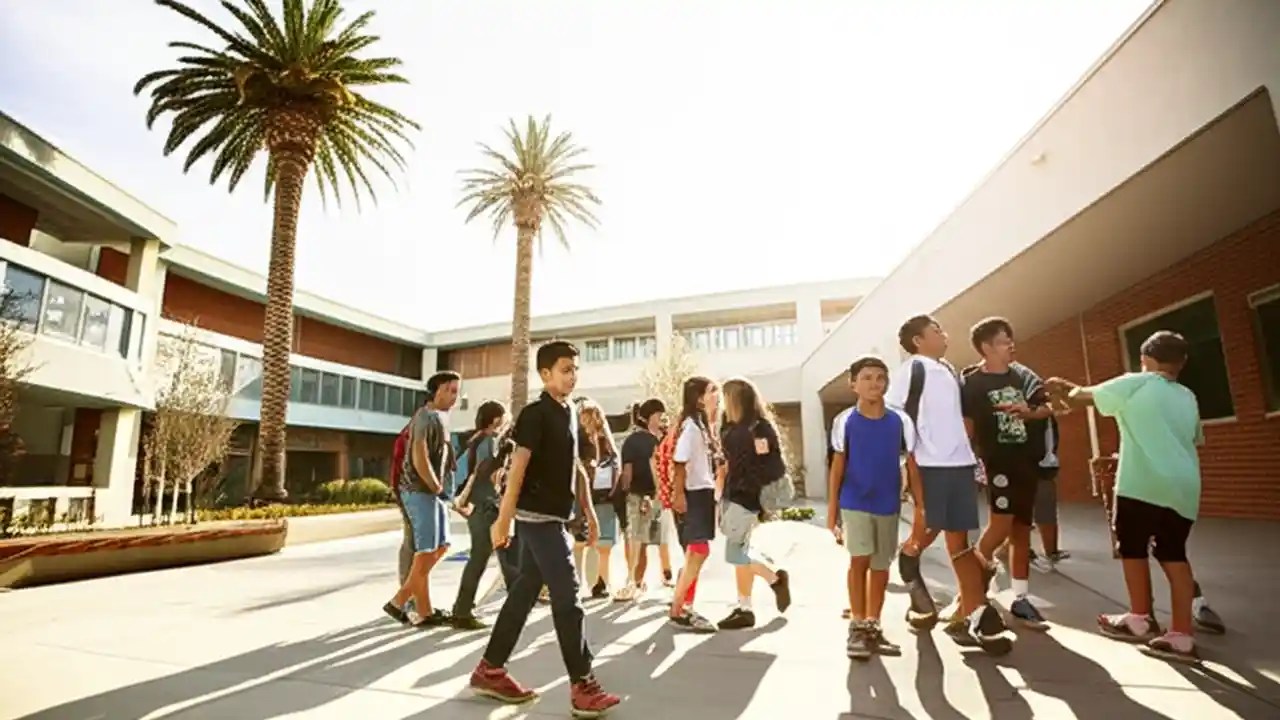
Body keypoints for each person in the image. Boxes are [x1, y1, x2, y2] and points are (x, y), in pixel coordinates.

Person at [469, 341, 621, 716]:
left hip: (555, 517)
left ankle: (490, 668)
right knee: (568, 596)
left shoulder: (568, 411)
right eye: (565, 369)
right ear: (545, 374)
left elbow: (572, 467)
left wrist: (584, 511)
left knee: (522, 593)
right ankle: (583, 684)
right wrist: (503, 521)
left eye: (575, 369)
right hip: (536, 519)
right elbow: (519, 468)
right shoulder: (535, 414)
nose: (572, 375)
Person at [1046, 330, 1204, 663]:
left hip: (1141, 483)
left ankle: (1140, 618)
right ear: (1182, 363)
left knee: (1132, 547)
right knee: (1174, 554)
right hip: (1185, 485)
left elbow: (1080, 397)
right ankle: (1182, 636)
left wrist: (1062, 387)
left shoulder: (1136, 382)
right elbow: (1192, 438)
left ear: (1145, 360)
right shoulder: (1188, 396)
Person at [888, 315, 1010, 655]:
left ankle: (976, 615)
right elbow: (896, 418)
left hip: (959, 465)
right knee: (927, 532)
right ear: (917, 340)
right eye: (936, 330)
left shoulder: (951, 371)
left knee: (961, 543)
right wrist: (906, 467)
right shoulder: (913, 370)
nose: (944, 334)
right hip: (928, 464)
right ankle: (909, 558)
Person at [961, 317, 1052, 630]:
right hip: (996, 462)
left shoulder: (1022, 376)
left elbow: (1048, 406)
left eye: (1011, 339)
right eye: (1002, 341)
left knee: (1021, 530)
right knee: (999, 526)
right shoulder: (972, 383)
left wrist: (1029, 412)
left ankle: (1021, 598)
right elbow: (968, 426)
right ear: (986, 347)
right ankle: (970, 593)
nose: (1010, 345)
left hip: (1026, 461)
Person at [827, 356, 912, 658]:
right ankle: (857, 626)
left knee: (880, 566)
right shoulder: (845, 421)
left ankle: (874, 625)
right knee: (859, 559)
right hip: (854, 500)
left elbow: (911, 463)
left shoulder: (899, 421)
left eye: (880, 377)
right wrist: (832, 512)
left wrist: (922, 508)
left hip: (888, 503)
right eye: (866, 377)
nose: (874, 383)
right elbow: (837, 467)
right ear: (853, 384)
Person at [383, 371, 461, 628]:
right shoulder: (424, 417)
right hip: (418, 490)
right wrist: (436, 487)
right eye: (450, 390)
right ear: (436, 390)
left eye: (456, 392)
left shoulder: (440, 419)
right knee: (426, 549)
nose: (454, 397)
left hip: (432, 493)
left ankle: (420, 608)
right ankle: (402, 602)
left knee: (438, 547)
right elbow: (420, 455)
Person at [715, 378, 793, 630]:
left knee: (736, 552)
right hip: (732, 494)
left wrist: (755, 491)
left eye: (726, 397)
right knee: (740, 551)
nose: (722, 403)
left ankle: (772, 581)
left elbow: (769, 464)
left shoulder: (758, 428)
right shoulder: (729, 426)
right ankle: (745, 607)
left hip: (746, 496)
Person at [449, 401, 515, 629]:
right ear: (496, 419)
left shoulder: (475, 440)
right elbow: (485, 471)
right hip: (486, 508)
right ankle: (462, 611)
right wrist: (503, 455)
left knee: (500, 555)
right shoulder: (487, 441)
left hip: (481, 507)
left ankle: (465, 609)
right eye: (503, 417)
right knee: (484, 558)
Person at [667, 376, 722, 633]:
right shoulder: (690, 427)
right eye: (712, 391)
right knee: (698, 550)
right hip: (694, 493)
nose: (717, 395)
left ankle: (684, 605)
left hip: (703, 492)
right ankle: (678, 607)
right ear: (699, 398)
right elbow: (680, 461)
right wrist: (678, 495)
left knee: (697, 551)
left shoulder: (701, 426)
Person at [614, 398, 667, 602]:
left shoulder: (632, 441)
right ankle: (636, 581)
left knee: (636, 539)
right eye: (658, 417)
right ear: (649, 417)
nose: (660, 421)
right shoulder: (653, 441)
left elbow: (627, 472)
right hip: (649, 496)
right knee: (642, 541)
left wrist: (624, 492)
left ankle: (634, 581)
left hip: (640, 496)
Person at [578, 399, 622, 599]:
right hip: (590, 497)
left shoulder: (603, 441)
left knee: (603, 543)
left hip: (601, 497)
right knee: (587, 542)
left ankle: (601, 582)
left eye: (589, 418)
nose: (586, 422)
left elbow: (614, 466)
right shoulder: (583, 441)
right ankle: (591, 582)